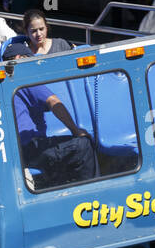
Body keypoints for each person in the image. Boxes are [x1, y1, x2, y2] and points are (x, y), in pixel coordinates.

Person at [6, 47, 94, 190]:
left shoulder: (5, 83)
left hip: (16, 152)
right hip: (29, 149)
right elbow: (54, 102)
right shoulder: (23, 79)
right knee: (83, 145)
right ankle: (91, 194)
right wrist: (76, 130)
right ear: (19, 59)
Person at [2, 9, 72, 59]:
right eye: (34, 31)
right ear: (27, 32)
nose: (38, 34)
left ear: (46, 27)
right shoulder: (23, 53)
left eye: (41, 29)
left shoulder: (61, 44)